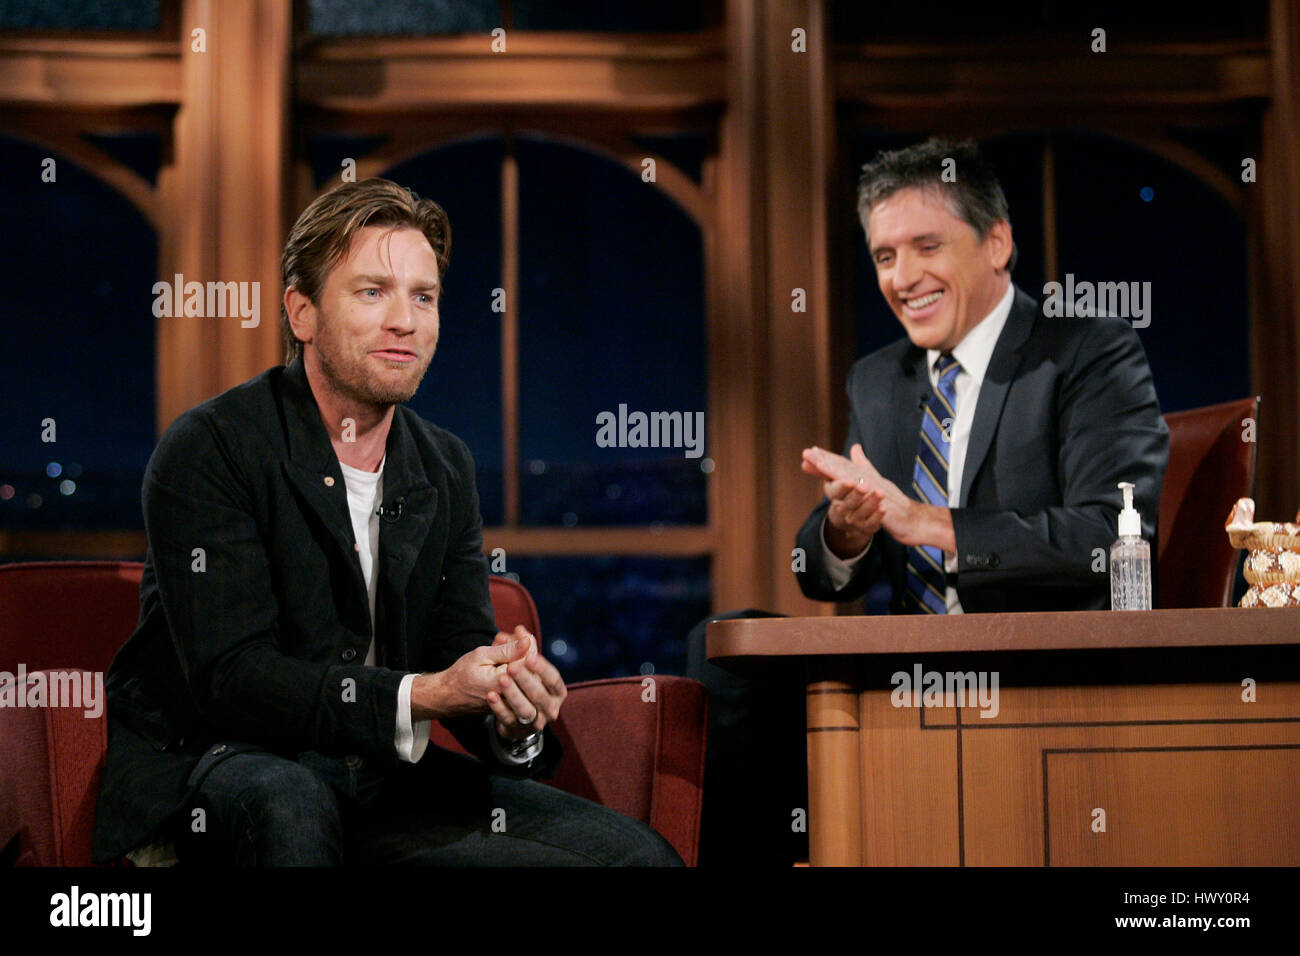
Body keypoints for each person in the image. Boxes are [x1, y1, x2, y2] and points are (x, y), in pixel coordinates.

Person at [92, 177, 682, 867]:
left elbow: (458, 650)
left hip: (375, 777)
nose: (405, 320)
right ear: (302, 312)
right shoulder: (212, 446)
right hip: (217, 765)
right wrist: (423, 693)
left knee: (638, 858)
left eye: (423, 297)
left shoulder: (443, 464)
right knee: (293, 811)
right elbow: (234, 679)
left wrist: (507, 707)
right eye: (373, 292)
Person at [687, 138, 1168, 864]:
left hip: (1038, 673)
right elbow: (822, 570)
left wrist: (931, 524)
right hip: (906, 673)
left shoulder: (1087, 354)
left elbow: (1107, 540)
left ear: (997, 242)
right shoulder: (880, 380)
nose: (903, 277)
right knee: (724, 648)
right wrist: (846, 533)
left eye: (925, 247)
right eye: (884, 256)